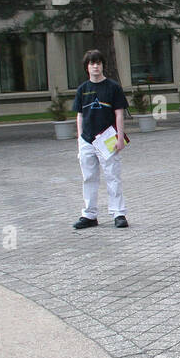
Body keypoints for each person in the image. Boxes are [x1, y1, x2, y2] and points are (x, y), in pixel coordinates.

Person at [71, 49, 129, 229]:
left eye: (98, 63)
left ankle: (118, 213)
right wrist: (81, 138)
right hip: (87, 141)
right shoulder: (83, 90)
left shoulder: (113, 88)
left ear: (103, 65)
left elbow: (119, 114)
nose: (95, 66)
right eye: (91, 63)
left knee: (113, 177)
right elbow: (80, 115)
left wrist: (120, 137)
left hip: (107, 139)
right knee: (89, 178)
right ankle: (89, 215)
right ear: (87, 67)